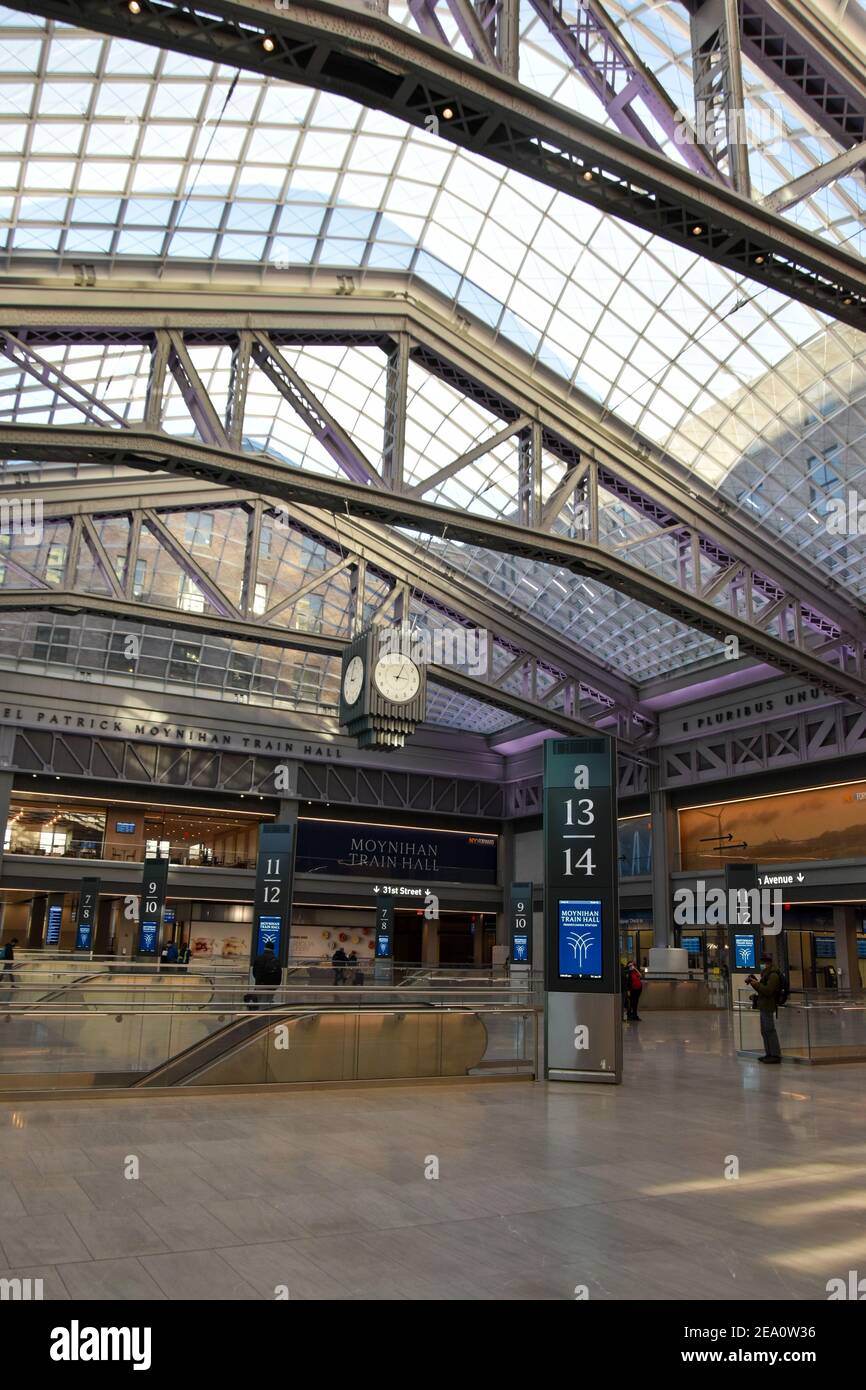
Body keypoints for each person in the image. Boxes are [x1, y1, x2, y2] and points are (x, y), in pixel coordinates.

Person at [746, 953, 783, 1063]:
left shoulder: (773, 975)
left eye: (764, 963)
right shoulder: (766, 974)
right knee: (764, 1031)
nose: (762, 965)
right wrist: (754, 982)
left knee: (769, 1030)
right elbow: (762, 989)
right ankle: (769, 1053)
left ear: (769, 963)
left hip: (768, 1005)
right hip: (764, 1005)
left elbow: (768, 991)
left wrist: (756, 984)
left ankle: (775, 1055)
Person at [250, 942, 282, 1011]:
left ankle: (259, 1018)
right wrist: (275, 987)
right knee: (267, 1003)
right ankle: (266, 1018)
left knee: (259, 1003)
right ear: (273, 949)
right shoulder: (276, 960)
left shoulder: (259, 958)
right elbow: (279, 975)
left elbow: (254, 973)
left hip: (260, 986)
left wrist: (259, 982)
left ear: (265, 948)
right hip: (271, 987)